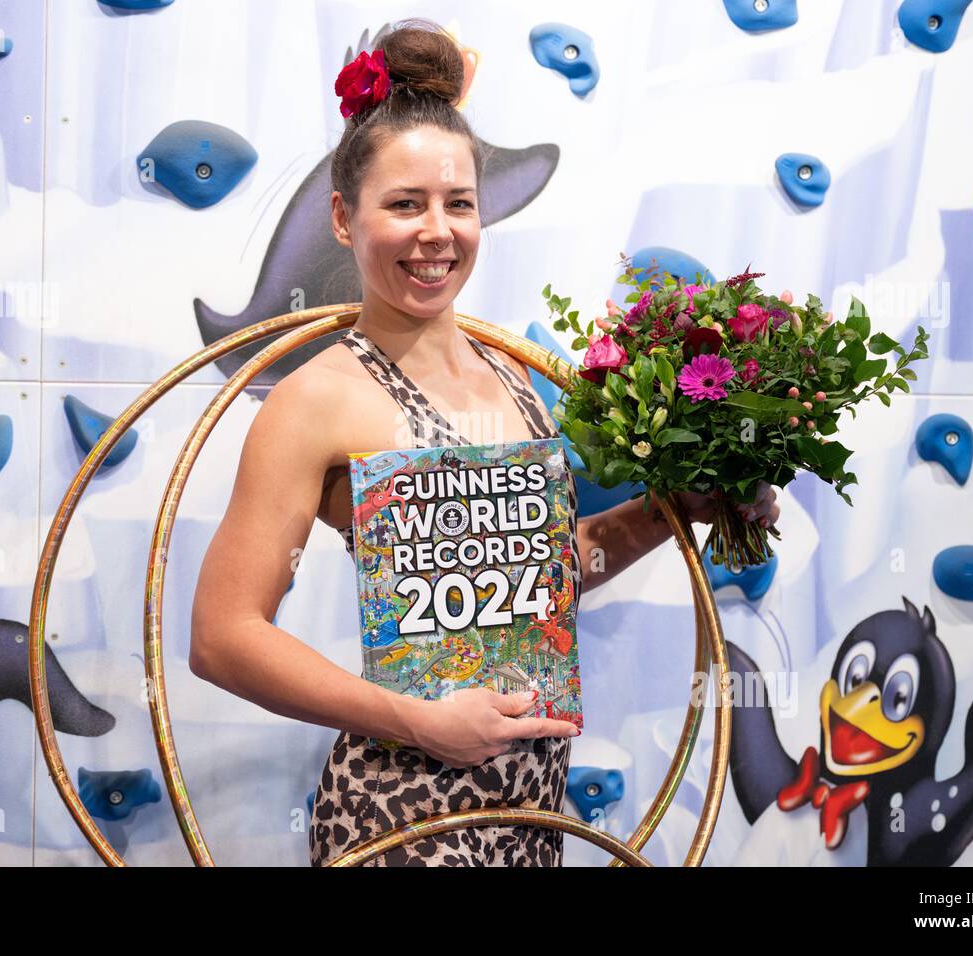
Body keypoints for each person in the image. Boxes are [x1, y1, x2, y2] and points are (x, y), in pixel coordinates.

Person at [188, 18, 778, 867]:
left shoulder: (513, 377)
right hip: (397, 823)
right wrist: (418, 721)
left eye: (458, 203)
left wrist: (675, 510)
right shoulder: (314, 401)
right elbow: (222, 635)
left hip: (534, 818)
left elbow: (541, 576)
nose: (438, 232)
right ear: (344, 220)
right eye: (404, 204)